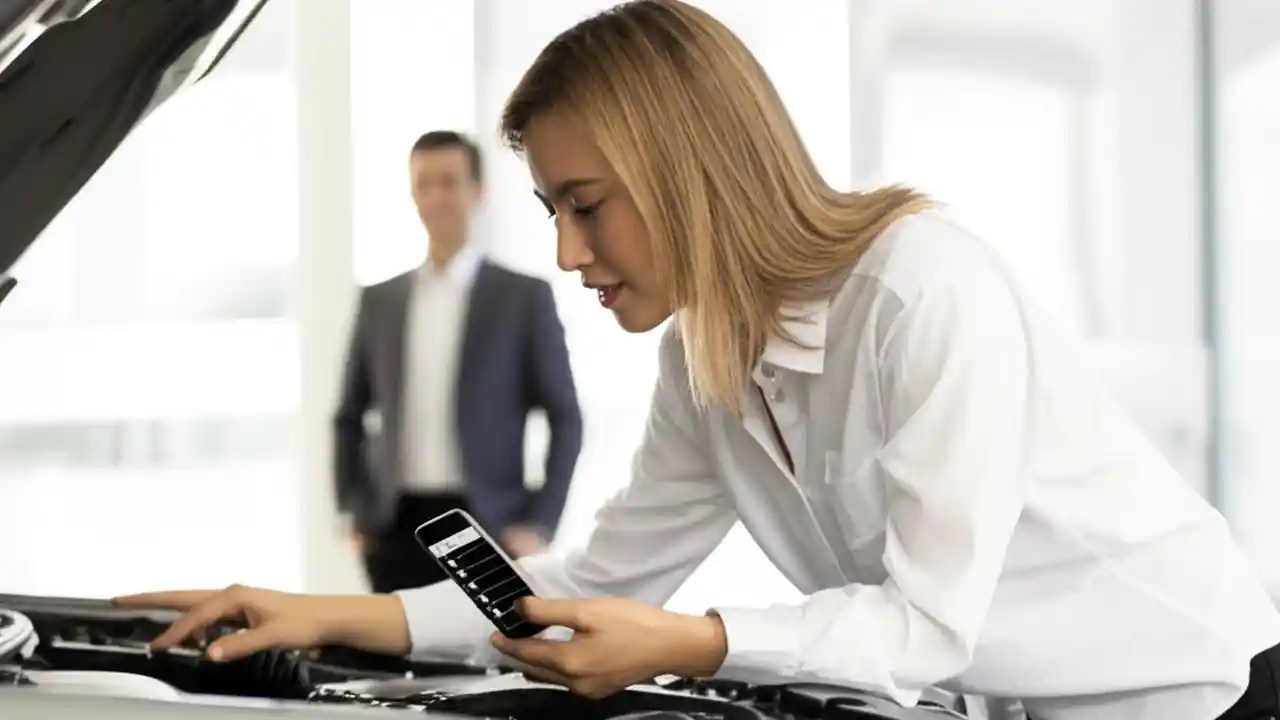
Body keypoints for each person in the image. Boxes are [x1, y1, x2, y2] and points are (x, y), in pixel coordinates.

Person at [117, 2, 1280, 718]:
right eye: (548, 212)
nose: (567, 254)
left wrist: (695, 643)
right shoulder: (704, 358)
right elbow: (598, 581)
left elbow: (924, 628)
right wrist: (316, 614)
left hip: (1202, 690)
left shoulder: (922, 288)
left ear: (687, 170)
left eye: (586, 206)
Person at [334, 130, 583, 593]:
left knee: (486, 660)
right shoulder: (380, 301)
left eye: (449, 181)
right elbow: (349, 415)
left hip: (488, 523)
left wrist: (540, 523)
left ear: (478, 192)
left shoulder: (522, 298)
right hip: (394, 527)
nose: (436, 196)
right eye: (424, 184)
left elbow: (565, 415)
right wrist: (353, 509)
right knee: (393, 656)